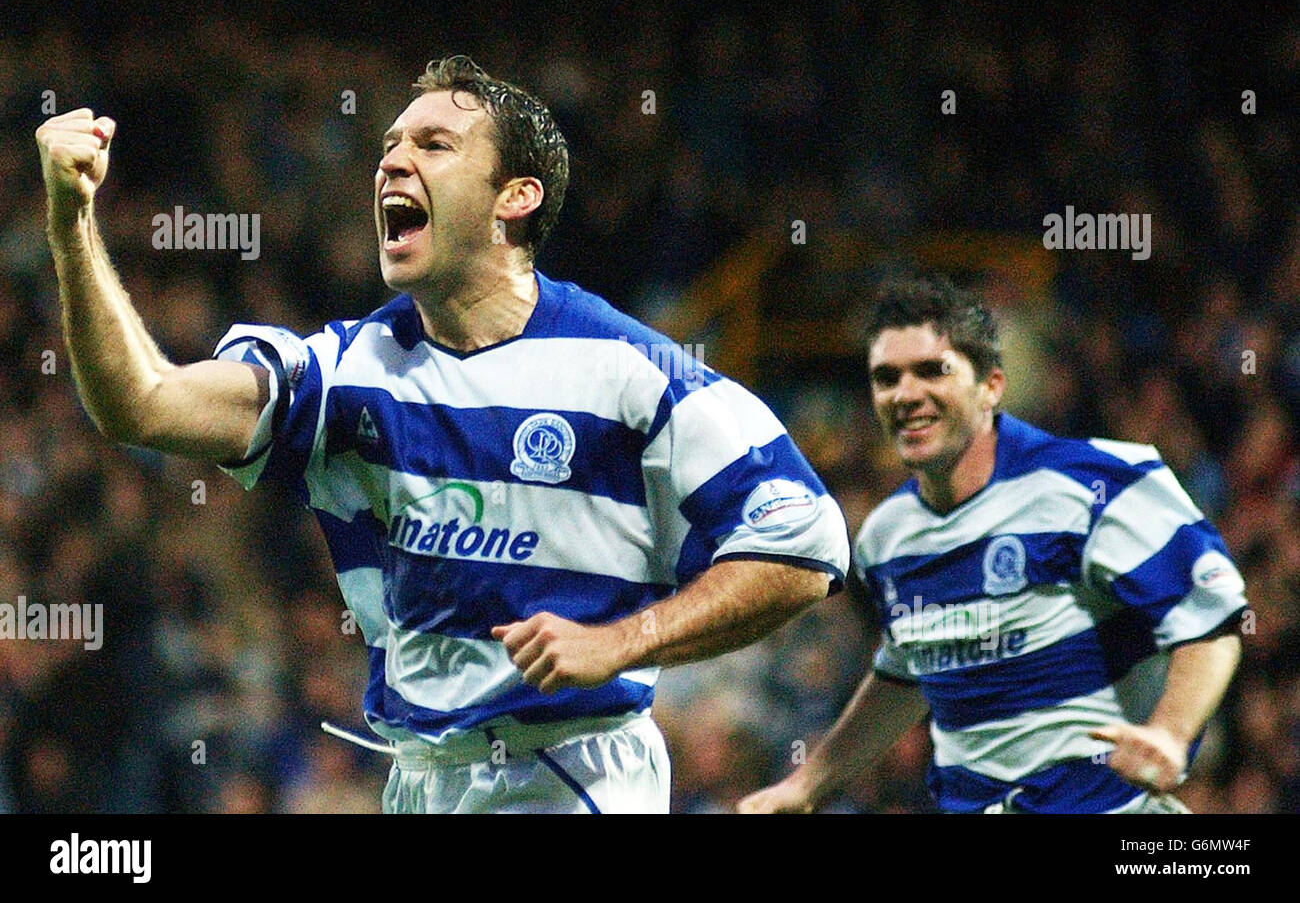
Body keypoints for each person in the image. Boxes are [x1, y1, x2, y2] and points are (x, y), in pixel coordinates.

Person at [35, 55, 850, 814]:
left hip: (572, 777)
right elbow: (139, 402)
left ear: (515, 198)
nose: (391, 161)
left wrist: (622, 642)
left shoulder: (629, 369)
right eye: (389, 145)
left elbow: (806, 542)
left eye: (434, 144)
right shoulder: (349, 370)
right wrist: (72, 221)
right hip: (418, 780)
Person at [739, 274, 1248, 814]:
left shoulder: (1100, 483)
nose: (906, 395)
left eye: (932, 370)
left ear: (992, 387)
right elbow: (906, 674)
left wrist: (1171, 732)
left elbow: (1211, 620)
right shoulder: (884, 538)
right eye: (887, 378)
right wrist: (803, 787)